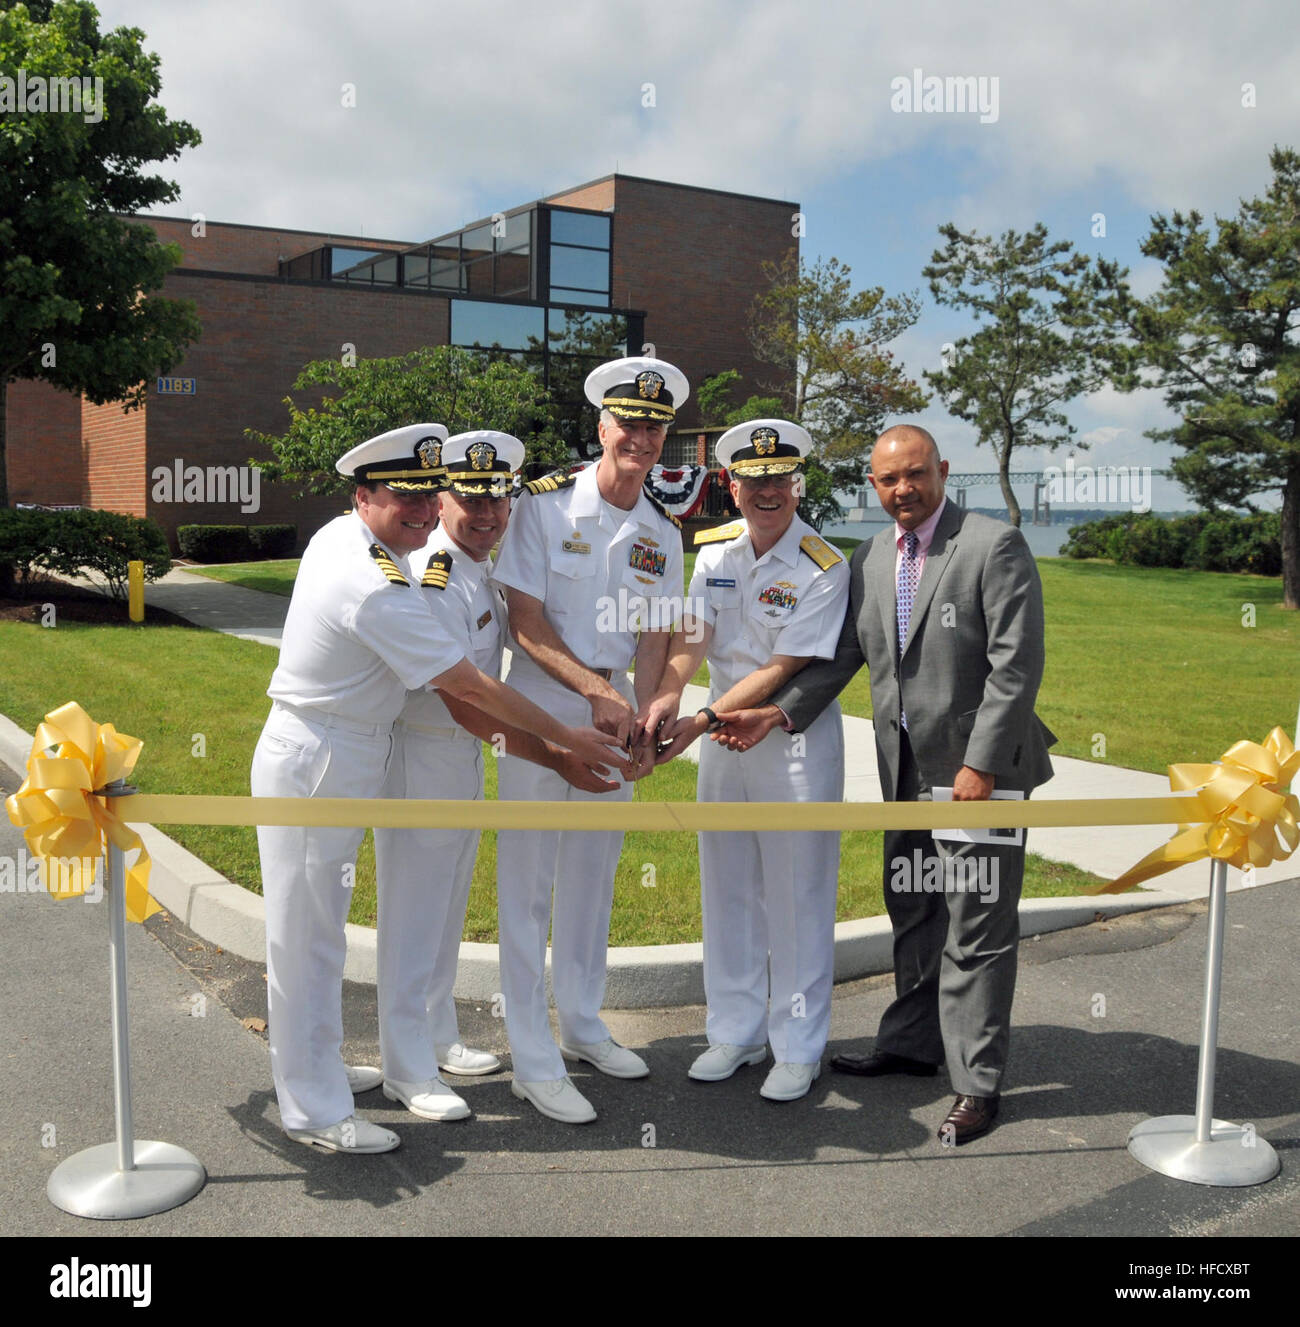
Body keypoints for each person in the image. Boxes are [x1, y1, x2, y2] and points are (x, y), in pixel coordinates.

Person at [251, 424, 624, 1154]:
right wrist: (563, 741)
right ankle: (323, 1106)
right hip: (337, 752)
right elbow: (462, 687)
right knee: (309, 937)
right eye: (408, 499)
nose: (424, 514)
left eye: (429, 497)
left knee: (408, 915)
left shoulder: (385, 549)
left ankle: (360, 1057)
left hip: (365, 746)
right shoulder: (387, 577)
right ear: (364, 496)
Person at [717, 424, 1055, 1143]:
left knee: (978, 927)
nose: (903, 490)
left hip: (977, 776)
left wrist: (982, 763)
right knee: (915, 906)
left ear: (942, 471)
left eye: (915, 475)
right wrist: (775, 714)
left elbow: (1016, 666)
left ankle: (978, 1083)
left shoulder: (992, 545)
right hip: (903, 772)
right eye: (888, 480)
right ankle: (913, 1042)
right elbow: (841, 658)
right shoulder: (872, 556)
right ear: (873, 485)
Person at [373, 431, 620, 1125]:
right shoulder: (436, 575)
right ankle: (405, 1065)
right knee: (413, 913)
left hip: (458, 758)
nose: (486, 515)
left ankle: (438, 1032)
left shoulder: (480, 567)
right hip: (424, 752)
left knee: (446, 906)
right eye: (469, 501)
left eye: (498, 502)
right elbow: (467, 696)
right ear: (441, 499)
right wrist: (557, 749)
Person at [490, 356, 689, 1124]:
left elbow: (656, 636)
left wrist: (644, 711)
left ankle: (581, 1023)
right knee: (528, 883)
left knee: (593, 878)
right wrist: (598, 693)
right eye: (627, 423)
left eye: (653, 425)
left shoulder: (662, 532)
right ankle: (530, 1059)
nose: (640, 436)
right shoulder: (543, 507)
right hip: (544, 704)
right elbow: (525, 625)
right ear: (601, 427)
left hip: (614, 713)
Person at [650, 420, 849, 1102]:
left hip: (787, 744)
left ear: (796, 483)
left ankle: (798, 1044)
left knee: (797, 895)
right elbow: (693, 635)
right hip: (721, 742)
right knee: (727, 884)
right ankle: (735, 1030)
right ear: (729, 485)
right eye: (752, 479)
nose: (767, 491)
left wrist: (700, 719)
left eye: (779, 478)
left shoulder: (824, 563)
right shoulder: (714, 554)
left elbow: (783, 665)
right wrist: (671, 691)